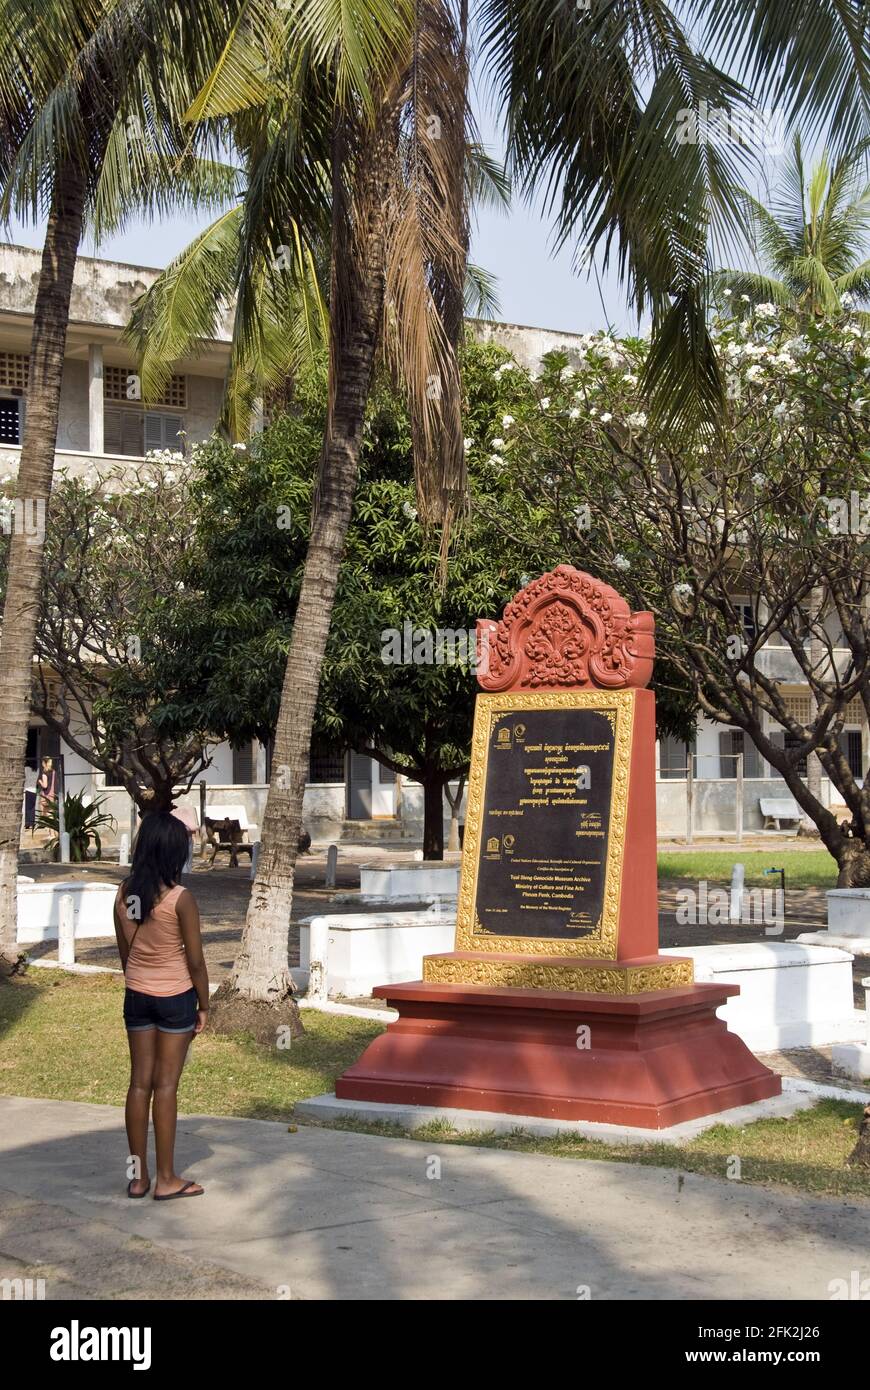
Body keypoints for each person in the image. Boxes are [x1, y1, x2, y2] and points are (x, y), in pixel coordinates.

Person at [113, 812, 210, 1200]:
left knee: (139, 1084)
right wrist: (204, 1005)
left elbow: (125, 954)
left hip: (136, 997)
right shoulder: (179, 898)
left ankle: (138, 1178)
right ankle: (167, 1179)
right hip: (174, 999)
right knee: (166, 1086)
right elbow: (197, 962)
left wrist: (139, 980)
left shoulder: (123, 894)